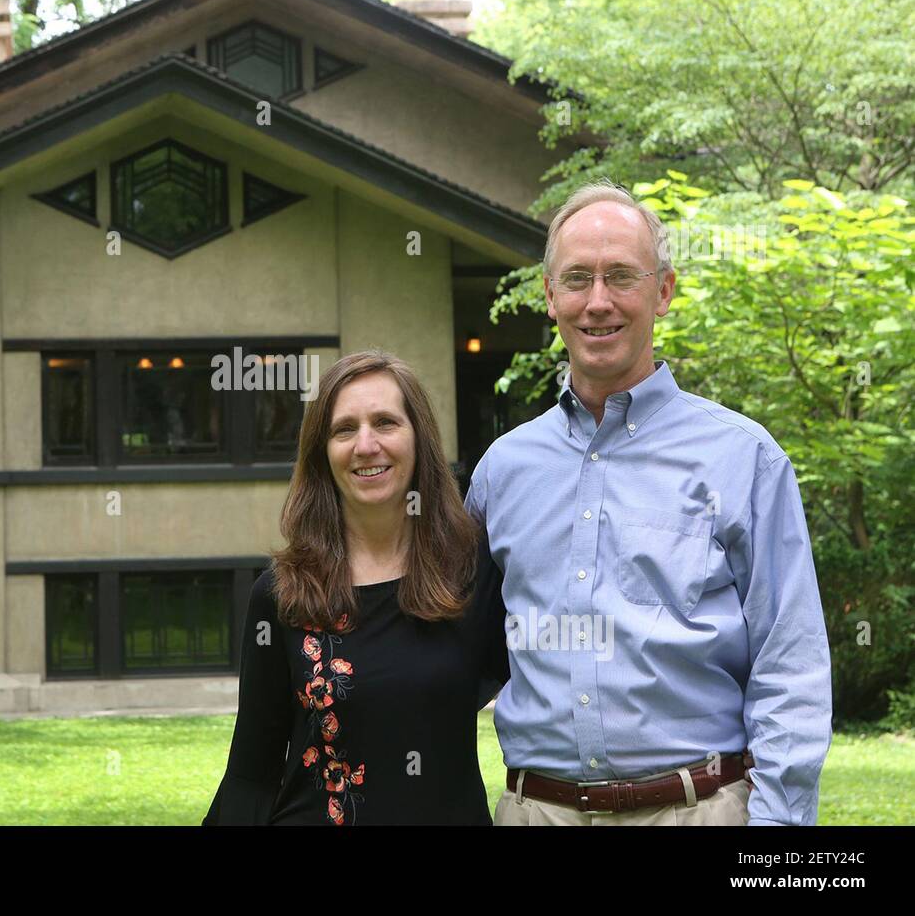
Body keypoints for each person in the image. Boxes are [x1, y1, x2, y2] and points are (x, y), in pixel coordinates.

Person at [466, 179, 832, 826]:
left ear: (663, 290)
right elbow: (454, 655)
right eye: (577, 278)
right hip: (536, 813)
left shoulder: (744, 459)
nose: (597, 302)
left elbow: (790, 661)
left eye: (621, 277)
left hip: (696, 810)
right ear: (550, 295)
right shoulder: (502, 472)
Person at [204, 350, 509, 825]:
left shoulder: (472, 575)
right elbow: (252, 772)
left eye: (385, 422)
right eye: (344, 429)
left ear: (419, 439)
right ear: (322, 453)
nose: (366, 445)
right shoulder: (283, 595)